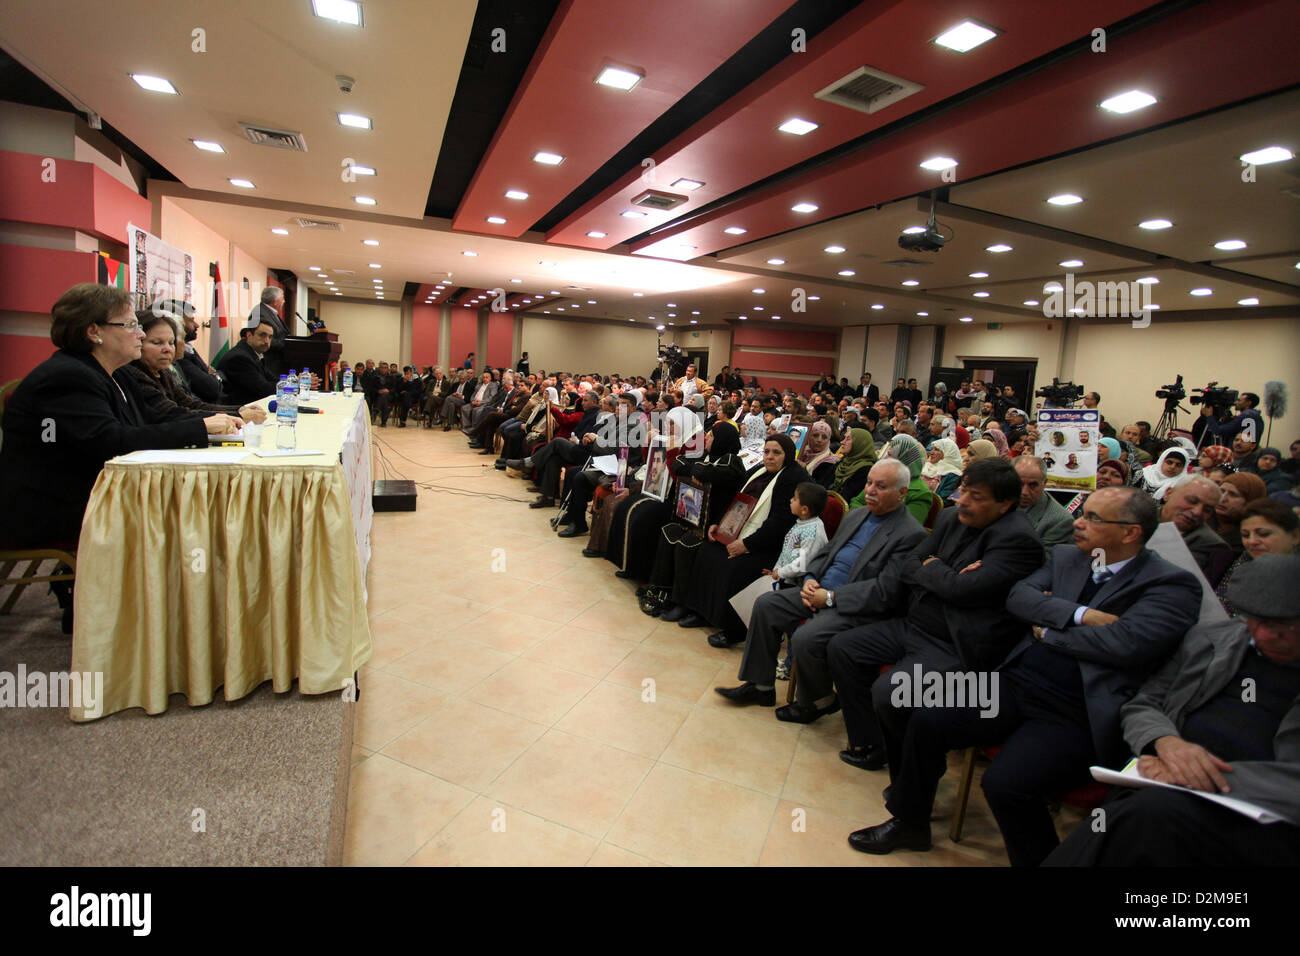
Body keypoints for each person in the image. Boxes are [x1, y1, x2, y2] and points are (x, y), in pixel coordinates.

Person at [848, 486, 1199, 863]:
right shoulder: (1067, 556)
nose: (1076, 522)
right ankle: (910, 820)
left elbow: (1126, 644)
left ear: (1130, 532)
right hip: (1015, 681)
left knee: (1004, 784)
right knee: (915, 705)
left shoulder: (1170, 584)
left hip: (1075, 707)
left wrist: (1049, 628)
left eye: (1093, 518)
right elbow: (1019, 599)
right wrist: (1081, 616)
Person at [1047, 553, 1300, 867]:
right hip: (1164, 779)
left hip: (1262, 811)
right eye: (1255, 620)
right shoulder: (1211, 639)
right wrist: (1165, 742)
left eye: (1283, 626)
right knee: (1132, 819)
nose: (1263, 635)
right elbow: (1144, 703)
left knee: (1144, 819)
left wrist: (1194, 777)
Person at [829, 459, 1045, 773]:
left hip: (954, 643)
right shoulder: (950, 518)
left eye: (977, 497)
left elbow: (962, 591)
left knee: (890, 693)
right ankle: (875, 742)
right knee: (842, 648)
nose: (964, 500)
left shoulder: (1018, 540)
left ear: (1005, 504)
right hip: (915, 623)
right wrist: (944, 574)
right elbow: (911, 565)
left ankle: (917, 769)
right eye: (964, 490)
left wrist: (935, 567)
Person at [0, 284, 230, 552]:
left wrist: (214, 423)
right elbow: (112, 440)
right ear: (94, 331)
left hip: (89, 489)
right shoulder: (67, 376)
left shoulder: (116, 372)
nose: (141, 333)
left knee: (191, 503)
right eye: (131, 325)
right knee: (185, 512)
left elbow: (152, 418)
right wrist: (200, 428)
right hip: (48, 507)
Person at [715, 460, 926, 717]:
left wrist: (829, 597)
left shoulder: (909, 534)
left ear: (902, 492)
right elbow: (827, 552)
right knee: (767, 604)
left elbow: (885, 590)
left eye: (880, 486)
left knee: (807, 637)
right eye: (869, 482)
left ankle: (818, 700)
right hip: (818, 589)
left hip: (853, 605)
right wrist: (812, 577)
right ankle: (760, 685)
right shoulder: (858, 515)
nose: (869, 490)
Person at [672, 436, 808, 647]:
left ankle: (734, 629)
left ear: (788, 455)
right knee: (707, 551)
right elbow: (736, 499)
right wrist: (717, 524)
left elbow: (780, 522)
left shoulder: (793, 478)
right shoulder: (759, 470)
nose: (769, 457)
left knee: (735, 566)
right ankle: (703, 612)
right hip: (740, 530)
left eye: (776, 453)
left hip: (770, 544)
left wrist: (747, 544)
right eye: (767, 451)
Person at [116, 310, 266, 426]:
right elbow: (171, 413)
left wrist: (238, 410)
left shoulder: (162, 372)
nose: (168, 349)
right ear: (139, 342)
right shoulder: (134, 375)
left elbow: (189, 403)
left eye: (171, 342)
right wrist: (236, 416)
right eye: (157, 342)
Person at [1215, 499, 1300, 615]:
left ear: (1295, 536)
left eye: (1263, 534)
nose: (1252, 541)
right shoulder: (1238, 563)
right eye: (1245, 535)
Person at [1160, 475, 1234, 587]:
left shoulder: (1210, 545)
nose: (1197, 512)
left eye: (1207, 510)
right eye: (1192, 501)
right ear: (1168, 493)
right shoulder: (1138, 517)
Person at [163, 300, 224, 404]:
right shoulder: (180, 358)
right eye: (191, 320)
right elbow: (211, 388)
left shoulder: (187, 350)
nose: (197, 325)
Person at [1014, 456, 1076, 552]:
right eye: (1019, 484)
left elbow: (1043, 561)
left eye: (1033, 485)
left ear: (1045, 483)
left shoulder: (1060, 521)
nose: (1024, 492)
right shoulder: (997, 501)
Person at [215, 316, 279, 406]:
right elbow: (264, 389)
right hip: (238, 409)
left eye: (270, 337)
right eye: (262, 335)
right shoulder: (239, 358)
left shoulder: (254, 354)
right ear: (249, 335)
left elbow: (272, 379)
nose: (267, 341)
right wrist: (291, 386)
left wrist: (290, 383)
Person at [1212, 472, 1268, 552]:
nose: (1223, 499)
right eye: (1222, 491)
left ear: (1250, 501)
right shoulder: (1201, 520)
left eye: (1233, 494)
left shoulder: (1251, 542)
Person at [246, 285, 288, 376]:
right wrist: (286, 344)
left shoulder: (270, 312)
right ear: (275, 301)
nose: (284, 301)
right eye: (282, 298)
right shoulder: (258, 313)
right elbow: (261, 339)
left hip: (276, 362)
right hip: (268, 362)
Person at [921, 437, 964, 502]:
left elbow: (944, 500)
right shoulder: (926, 466)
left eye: (936, 449)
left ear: (948, 452)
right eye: (932, 449)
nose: (931, 453)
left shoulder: (954, 475)